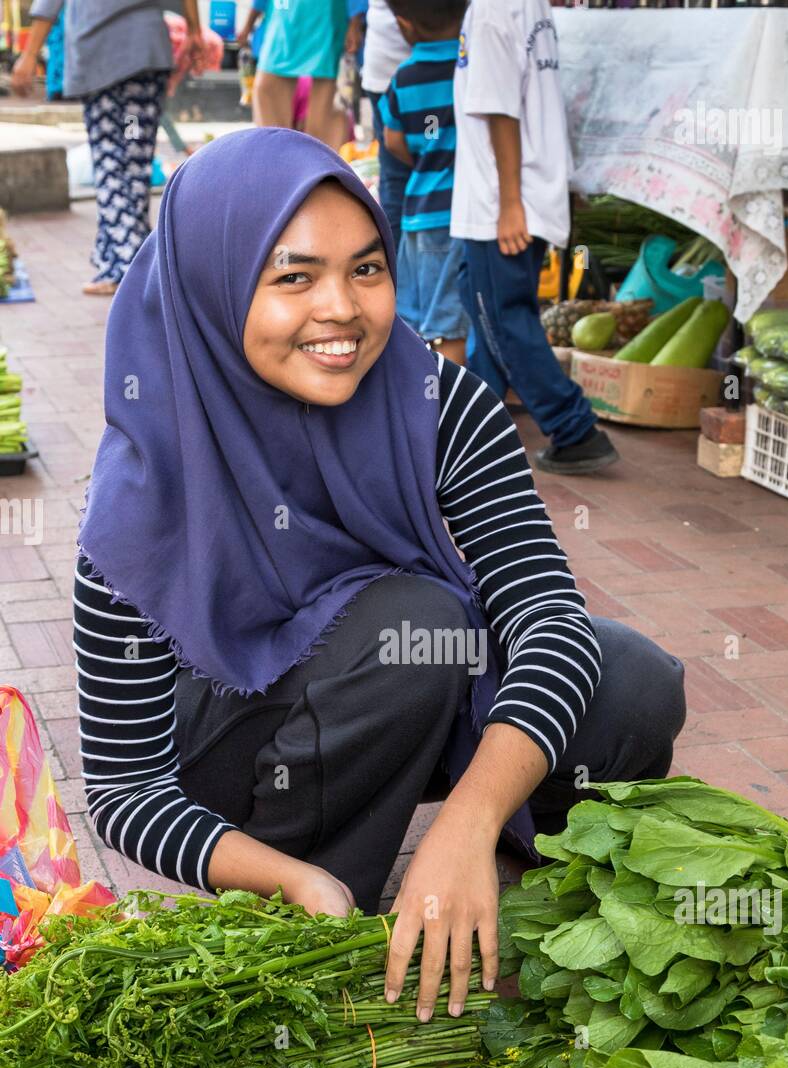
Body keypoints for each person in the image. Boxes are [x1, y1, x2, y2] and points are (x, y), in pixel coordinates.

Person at [74, 129, 685, 1018]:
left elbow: (547, 613)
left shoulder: (434, 401)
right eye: (293, 277)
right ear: (210, 289)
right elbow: (125, 793)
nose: (343, 310)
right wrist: (286, 880)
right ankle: (323, 911)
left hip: (398, 689)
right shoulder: (140, 495)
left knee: (629, 681)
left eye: (366, 269)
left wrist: (466, 823)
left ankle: (508, 871)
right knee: (417, 625)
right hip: (244, 760)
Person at [452, 0, 620, 475]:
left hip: (501, 202)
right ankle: (474, 433)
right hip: (525, 193)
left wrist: (509, 205)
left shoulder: (489, 11)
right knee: (483, 304)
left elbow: (499, 111)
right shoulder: (529, 4)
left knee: (503, 320)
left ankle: (574, 430)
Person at [12, 0, 202, 296]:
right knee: (133, 160)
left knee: (114, 163)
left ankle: (124, 271)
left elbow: (48, 4)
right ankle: (133, 262)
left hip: (105, 62)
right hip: (145, 57)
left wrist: (28, 55)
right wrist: (194, 29)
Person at [379, 0, 468, 364]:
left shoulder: (404, 76)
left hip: (416, 214)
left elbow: (393, 140)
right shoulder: (468, 68)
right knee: (448, 324)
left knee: (412, 319)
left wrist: (424, 159)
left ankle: (411, 400)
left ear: (404, 25)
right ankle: (446, 410)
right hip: (453, 218)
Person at [252, 0, 351, 148]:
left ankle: (324, 166)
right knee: (265, 91)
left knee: (322, 113)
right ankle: (274, 159)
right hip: (282, 16)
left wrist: (356, 19)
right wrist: (251, 19)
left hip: (325, 16)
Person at [360, 0, 411, 251]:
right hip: (428, 71)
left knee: (396, 177)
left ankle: (395, 271)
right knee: (433, 165)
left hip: (383, 68)